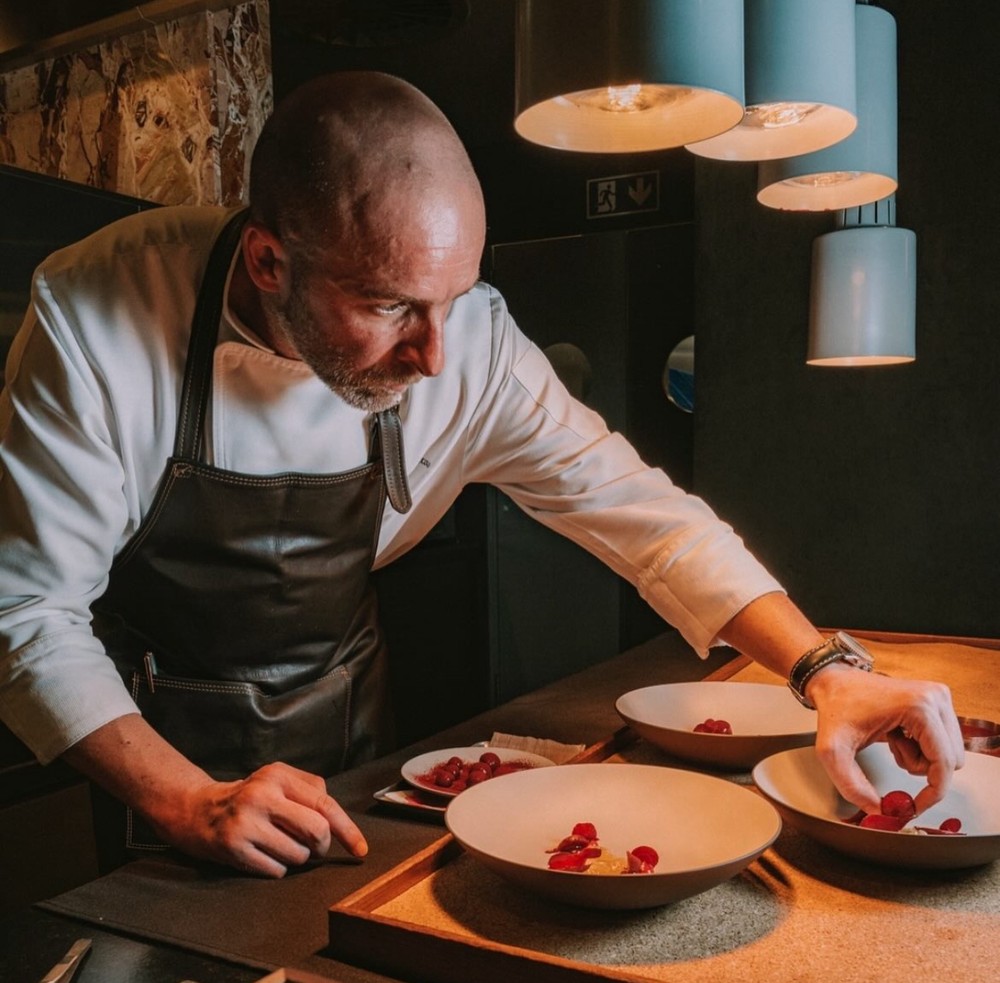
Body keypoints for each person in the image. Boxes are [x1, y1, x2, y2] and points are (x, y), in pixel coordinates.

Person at [0, 71, 963, 878]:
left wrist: (823, 669)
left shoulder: (472, 348)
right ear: (267, 261)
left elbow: (644, 513)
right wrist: (184, 798)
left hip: (352, 737)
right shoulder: (99, 316)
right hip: (152, 758)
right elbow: (28, 609)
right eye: (389, 307)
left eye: (454, 298)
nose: (433, 357)